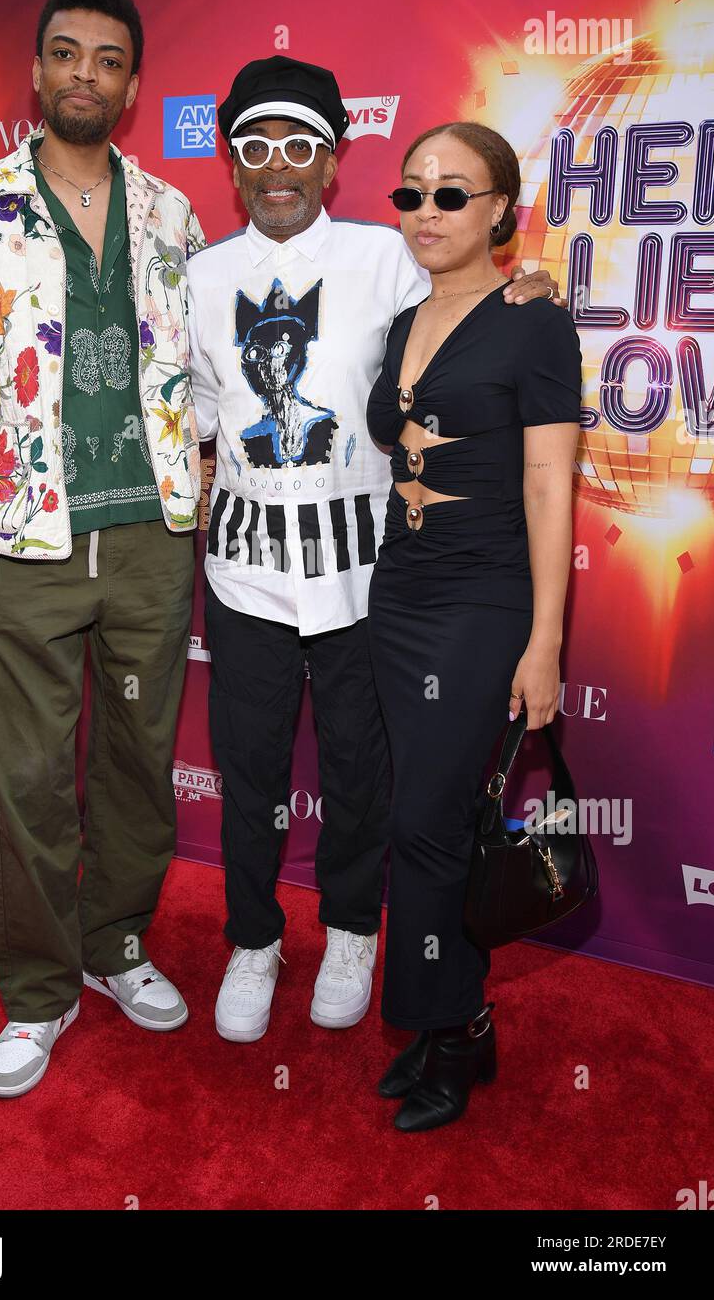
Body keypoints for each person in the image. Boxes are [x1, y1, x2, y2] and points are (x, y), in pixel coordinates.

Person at [186, 58, 562, 1044]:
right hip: (242, 573)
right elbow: (186, 410)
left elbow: (476, 297)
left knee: (361, 770)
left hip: (366, 580)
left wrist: (529, 282)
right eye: (256, 145)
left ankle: (352, 925)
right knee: (250, 771)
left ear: (331, 160)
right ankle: (253, 938)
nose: (277, 165)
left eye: (299, 146)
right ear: (231, 161)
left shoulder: (390, 256)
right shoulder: (198, 277)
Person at [0, 0, 206, 1098]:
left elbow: (201, 368)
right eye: (67, 53)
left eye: (109, 59)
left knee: (135, 765)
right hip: (25, 543)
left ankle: (118, 946)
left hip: (146, 540)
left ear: (131, 84)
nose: (86, 73)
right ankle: (38, 994)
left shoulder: (171, 214)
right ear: (36, 70)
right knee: (30, 779)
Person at [365, 121, 582, 1131]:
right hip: (397, 593)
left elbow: (549, 481)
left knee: (427, 825)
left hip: (483, 600)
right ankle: (442, 1025)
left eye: (452, 194)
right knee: (425, 819)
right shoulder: (402, 315)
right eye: (411, 194)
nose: (426, 213)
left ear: (502, 208)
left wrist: (544, 641)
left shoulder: (533, 319)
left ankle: (453, 1026)